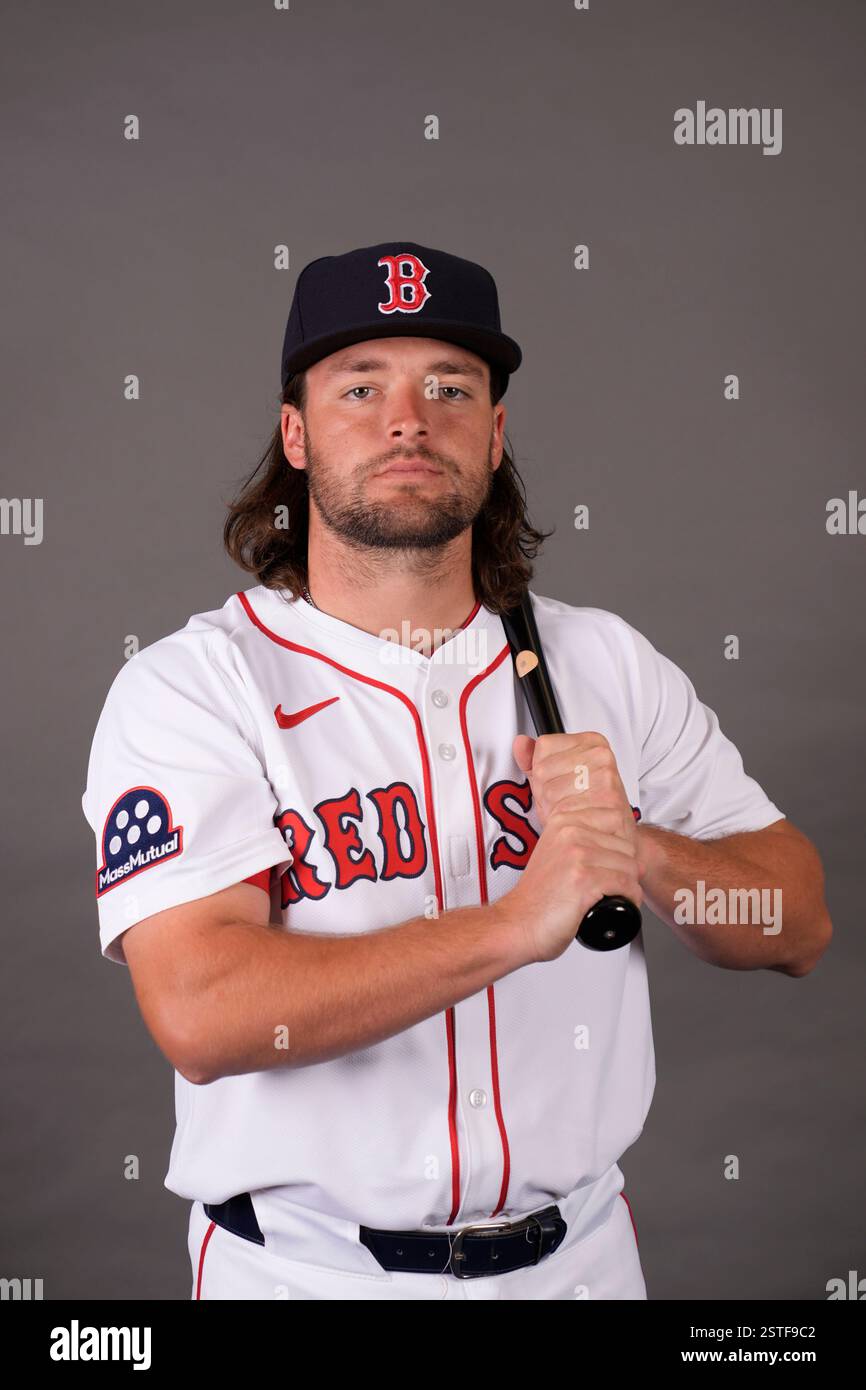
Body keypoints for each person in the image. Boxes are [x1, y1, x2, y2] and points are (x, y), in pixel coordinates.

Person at [82, 241, 832, 1301]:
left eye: (449, 387)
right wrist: (514, 923)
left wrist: (637, 847)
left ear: (493, 431)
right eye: (360, 387)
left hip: (578, 1263)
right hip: (304, 1273)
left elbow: (796, 923)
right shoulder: (196, 687)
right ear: (294, 435)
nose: (407, 420)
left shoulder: (601, 661)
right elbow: (203, 1014)